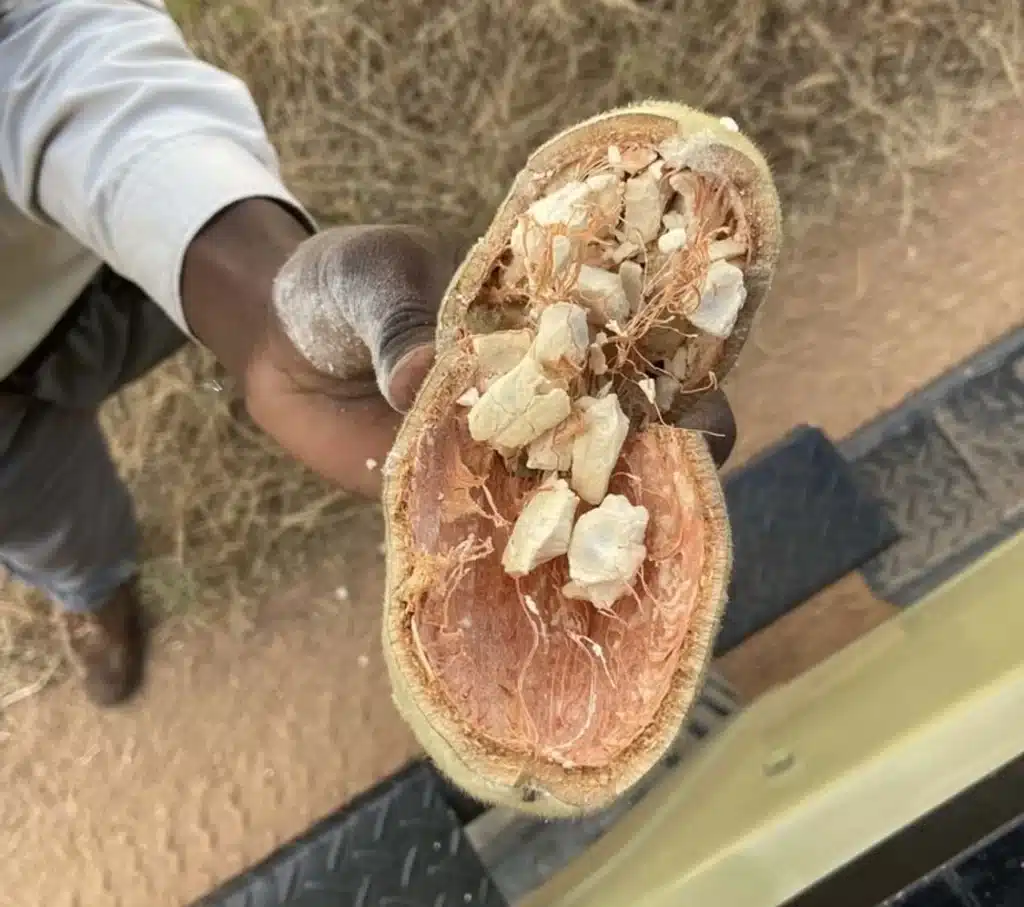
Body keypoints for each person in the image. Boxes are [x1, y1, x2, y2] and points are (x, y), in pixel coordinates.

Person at [0, 0, 736, 708]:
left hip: (94, 252)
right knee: (35, 511)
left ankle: (96, 576)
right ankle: (91, 590)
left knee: (80, 490)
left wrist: (261, 298)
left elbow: (37, 30)